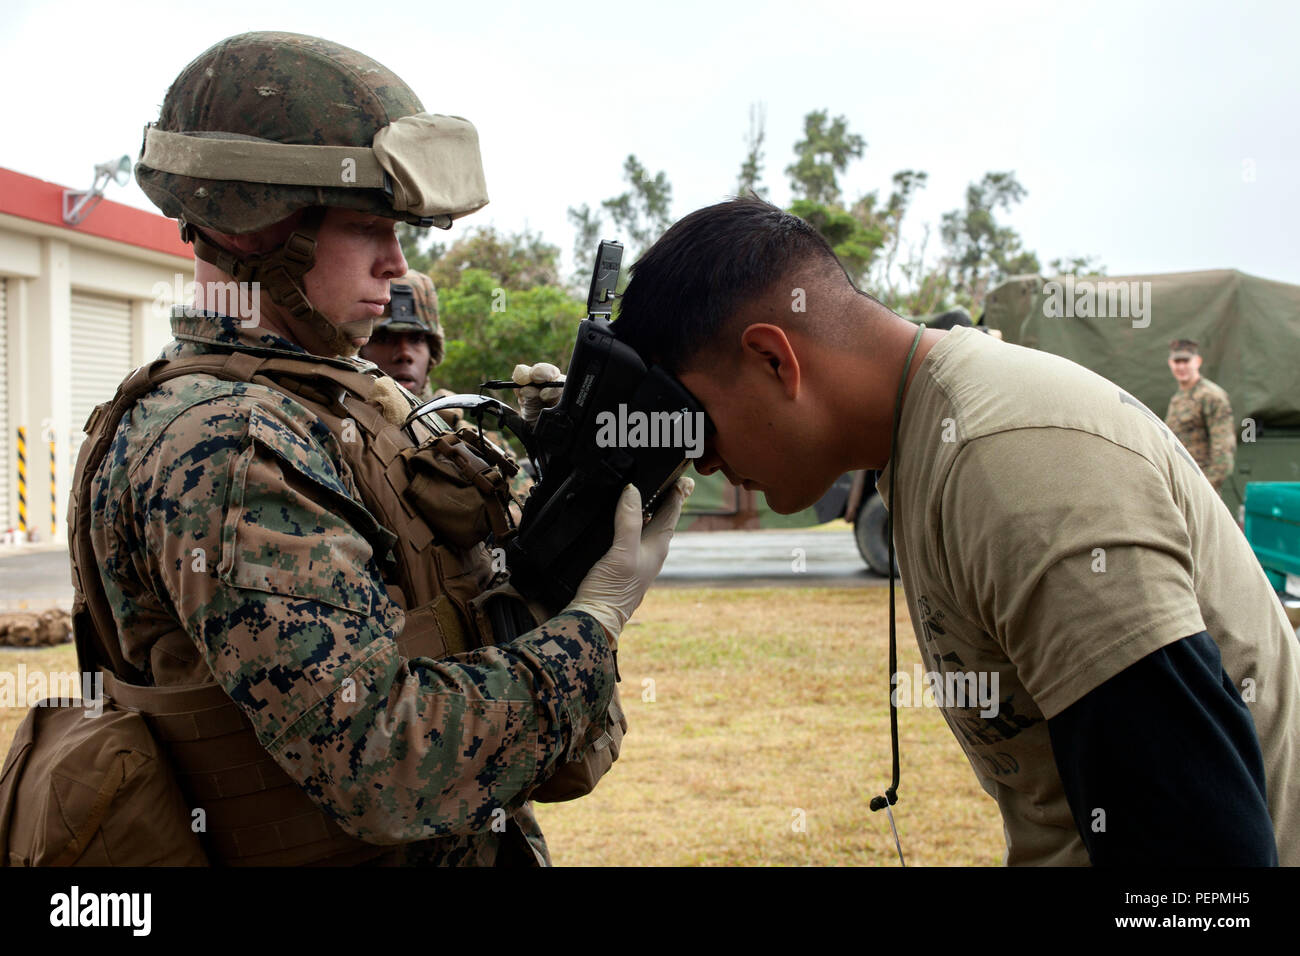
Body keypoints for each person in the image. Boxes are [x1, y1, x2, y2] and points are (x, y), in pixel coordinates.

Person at [69, 31, 690, 867]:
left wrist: (564, 498)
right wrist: (595, 623)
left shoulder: (333, 402)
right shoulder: (229, 445)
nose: (397, 265)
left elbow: (449, 614)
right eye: (369, 228)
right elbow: (386, 760)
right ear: (260, 229)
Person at [612, 196, 1298, 866]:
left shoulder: (1013, 465)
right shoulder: (929, 444)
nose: (698, 458)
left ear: (773, 359)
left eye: (694, 418)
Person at [1164, 338, 1237, 492]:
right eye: (1177, 361)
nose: (1181, 366)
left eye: (1186, 361)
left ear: (1197, 361)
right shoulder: (1178, 398)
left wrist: (1206, 489)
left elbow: (1223, 451)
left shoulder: (1211, 396)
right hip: (1181, 485)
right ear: (1170, 363)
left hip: (1201, 488)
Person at [359, 271, 444, 398]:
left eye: (416, 340)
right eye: (384, 339)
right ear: (358, 353)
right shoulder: (326, 415)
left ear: (432, 353)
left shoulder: (444, 413)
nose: (404, 354)